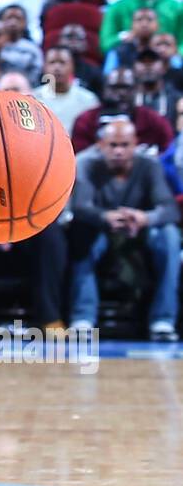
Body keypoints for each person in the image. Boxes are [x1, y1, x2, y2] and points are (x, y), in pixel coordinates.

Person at [69, 117, 179, 342]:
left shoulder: (149, 165)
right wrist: (105, 216)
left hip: (137, 229)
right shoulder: (85, 162)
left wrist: (144, 218)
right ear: (101, 145)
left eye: (124, 145)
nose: (118, 151)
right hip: (99, 227)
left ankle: (163, 320)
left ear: (136, 144)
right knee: (81, 234)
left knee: (169, 236)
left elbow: (169, 209)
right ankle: (83, 318)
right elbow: (80, 207)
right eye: (113, 145)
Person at [71, 68, 173, 155]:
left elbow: (168, 152)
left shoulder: (153, 120)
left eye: (126, 88)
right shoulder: (85, 120)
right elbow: (80, 157)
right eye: (115, 88)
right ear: (105, 90)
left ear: (137, 89)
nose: (121, 93)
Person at [33, 45, 99, 134]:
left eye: (62, 62)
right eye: (52, 62)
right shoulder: (33, 99)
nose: (57, 68)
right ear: (44, 67)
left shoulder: (88, 100)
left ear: (72, 66)